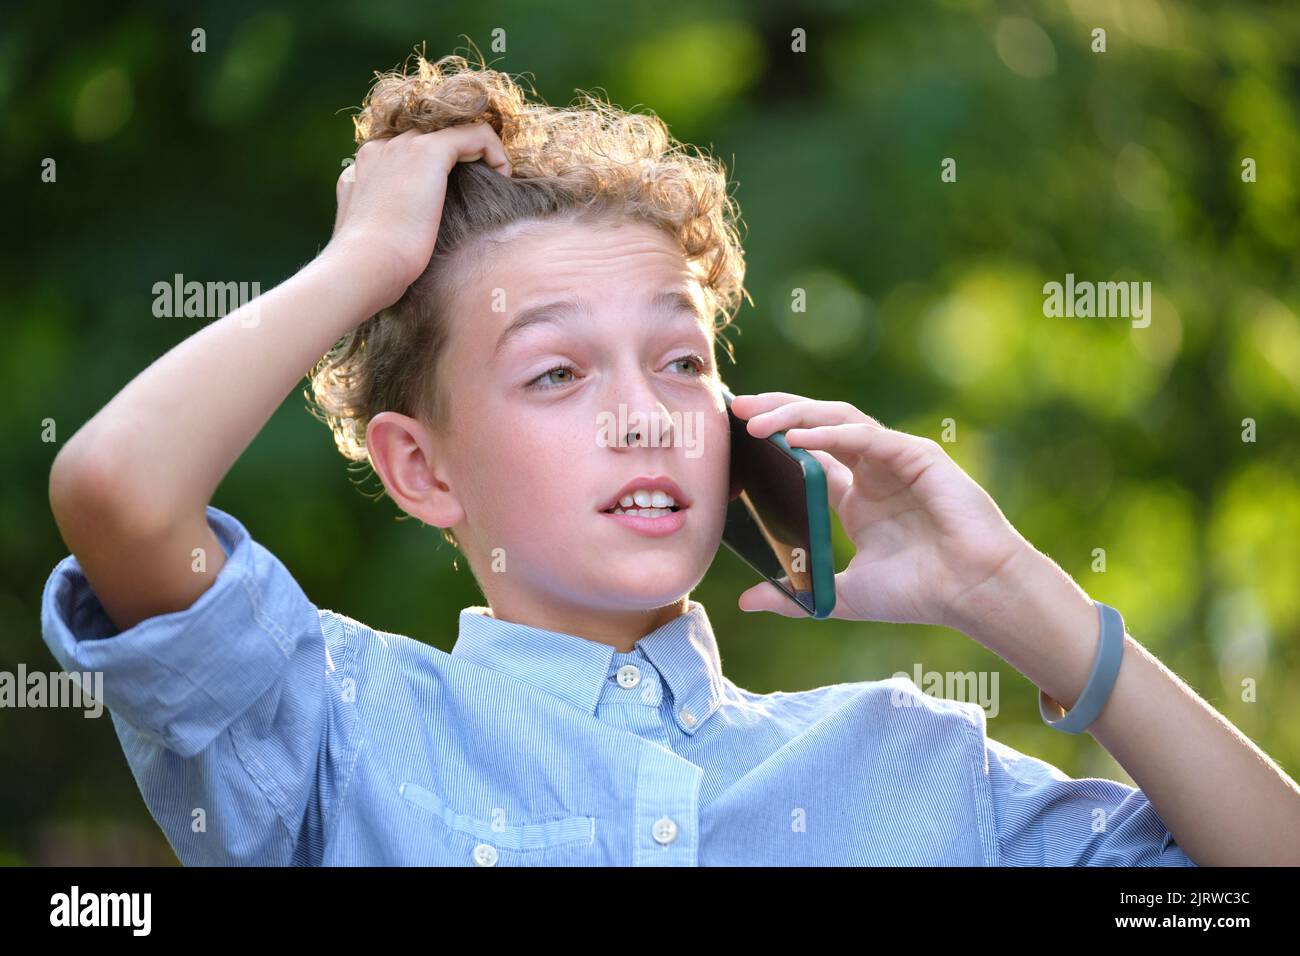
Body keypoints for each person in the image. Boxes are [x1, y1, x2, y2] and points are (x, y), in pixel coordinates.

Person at [40, 52, 1300, 866]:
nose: (643, 418)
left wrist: (1009, 591)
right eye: (556, 373)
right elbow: (117, 493)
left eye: (681, 361)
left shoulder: (916, 767)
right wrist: (363, 261)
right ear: (420, 469)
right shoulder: (330, 732)